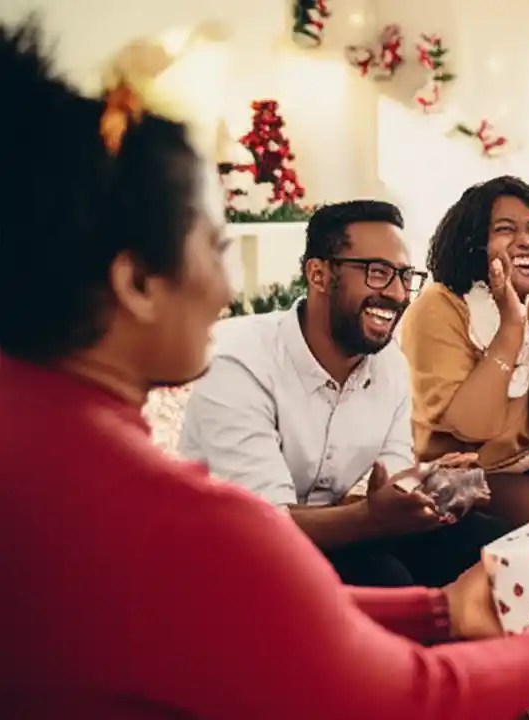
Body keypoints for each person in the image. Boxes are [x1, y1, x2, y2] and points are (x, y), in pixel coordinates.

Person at [0, 18, 529, 719]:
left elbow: (246, 590)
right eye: (214, 245)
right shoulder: (182, 514)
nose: (228, 289)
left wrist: (439, 612)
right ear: (135, 282)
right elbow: (410, 694)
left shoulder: (36, 435)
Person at [178, 200, 506, 589]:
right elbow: (266, 523)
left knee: (485, 542)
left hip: (333, 532)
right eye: (378, 272)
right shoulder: (241, 365)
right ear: (318, 274)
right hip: (231, 555)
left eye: (405, 276)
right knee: (384, 578)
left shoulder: (389, 366)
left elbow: (388, 485)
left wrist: (427, 485)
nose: (399, 293)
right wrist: (372, 516)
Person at [399, 176, 529, 528]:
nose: (526, 240)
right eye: (506, 229)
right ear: (474, 244)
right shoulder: (439, 307)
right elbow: (472, 426)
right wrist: (512, 326)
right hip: (442, 472)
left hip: (517, 463)